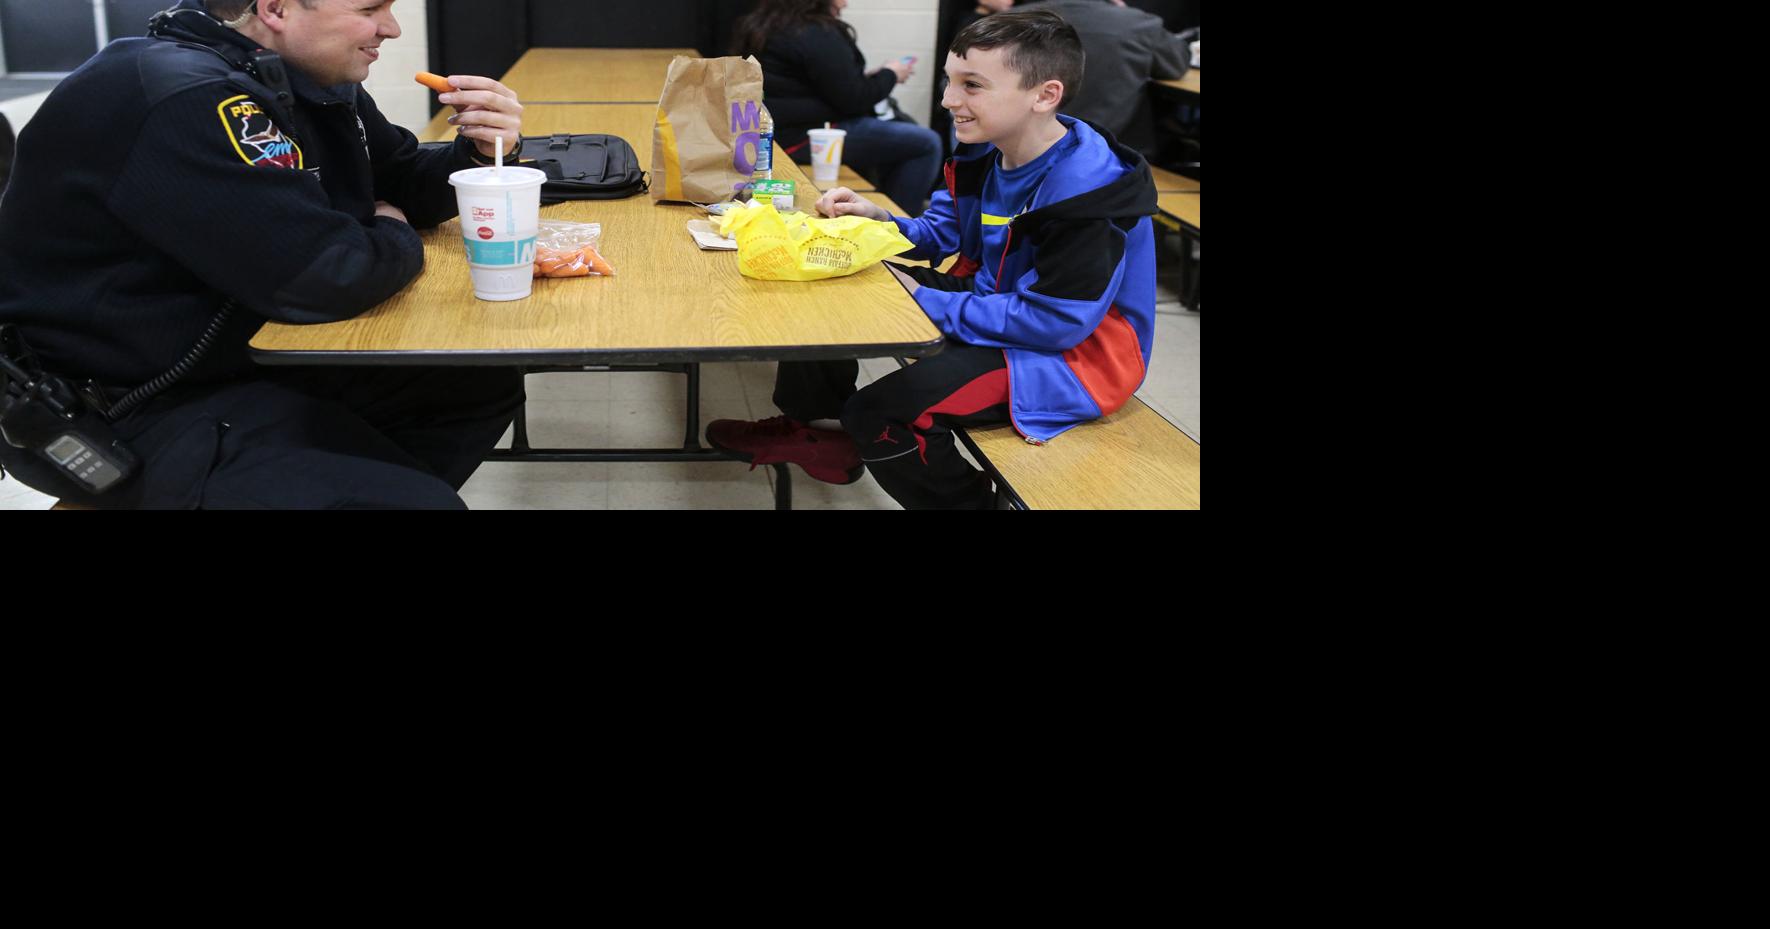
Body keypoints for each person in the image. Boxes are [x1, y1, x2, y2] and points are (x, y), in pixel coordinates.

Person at [0, 0, 527, 508]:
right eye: (369, 10)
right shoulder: (189, 96)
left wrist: (480, 153)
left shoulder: (306, 78)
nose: (390, 29)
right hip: (121, 408)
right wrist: (393, 229)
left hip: (235, 362)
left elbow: (403, 178)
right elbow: (327, 276)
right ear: (276, 10)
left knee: (473, 381)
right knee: (411, 503)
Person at [706, 9, 1160, 509]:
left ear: (1045, 95)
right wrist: (878, 219)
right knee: (830, 281)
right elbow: (941, 233)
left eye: (972, 85)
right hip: (999, 307)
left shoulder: (1085, 194)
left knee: (879, 413)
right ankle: (816, 432)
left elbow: (1055, 323)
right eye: (950, 81)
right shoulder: (985, 145)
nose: (948, 100)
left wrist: (924, 298)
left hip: (1070, 356)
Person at [733, 0, 943, 215]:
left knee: (902, 133)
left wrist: (873, 78)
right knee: (926, 143)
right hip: (806, 136)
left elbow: (821, 85)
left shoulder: (764, 23)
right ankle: (901, 226)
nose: (846, 3)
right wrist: (891, 74)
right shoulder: (815, 32)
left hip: (773, 133)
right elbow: (853, 99)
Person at [1016, 0, 1190, 155]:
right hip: (1113, 153)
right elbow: (1177, 63)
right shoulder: (1137, 24)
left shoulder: (1012, 20)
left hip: (1017, 151)